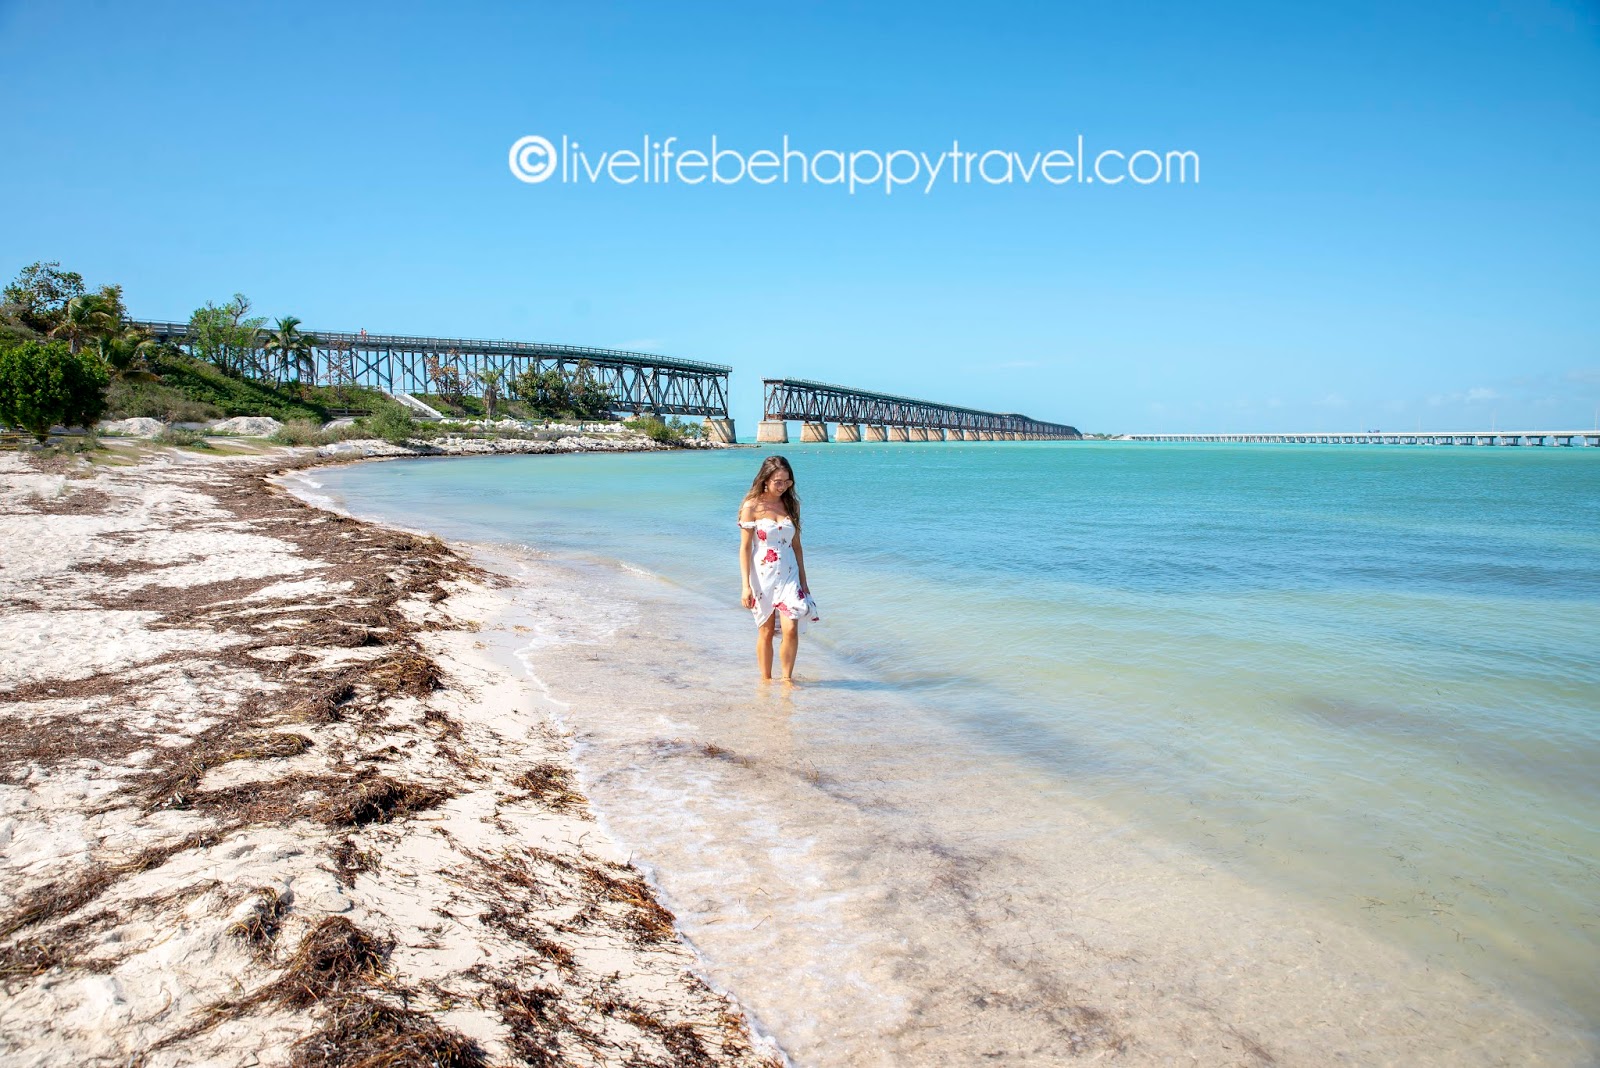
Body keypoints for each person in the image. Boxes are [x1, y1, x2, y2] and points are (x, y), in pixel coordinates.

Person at [738, 455, 819, 682]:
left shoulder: (792, 505)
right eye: (778, 481)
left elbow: (797, 546)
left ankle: (786, 680)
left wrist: (804, 581)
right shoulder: (751, 507)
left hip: (789, 574)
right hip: (762, 575)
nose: (783, 486)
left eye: (787, 482)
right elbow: (745, 548)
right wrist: (745, 586)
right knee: (765, 631)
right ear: (765, 479)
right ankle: (766, 681)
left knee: (790, 627)